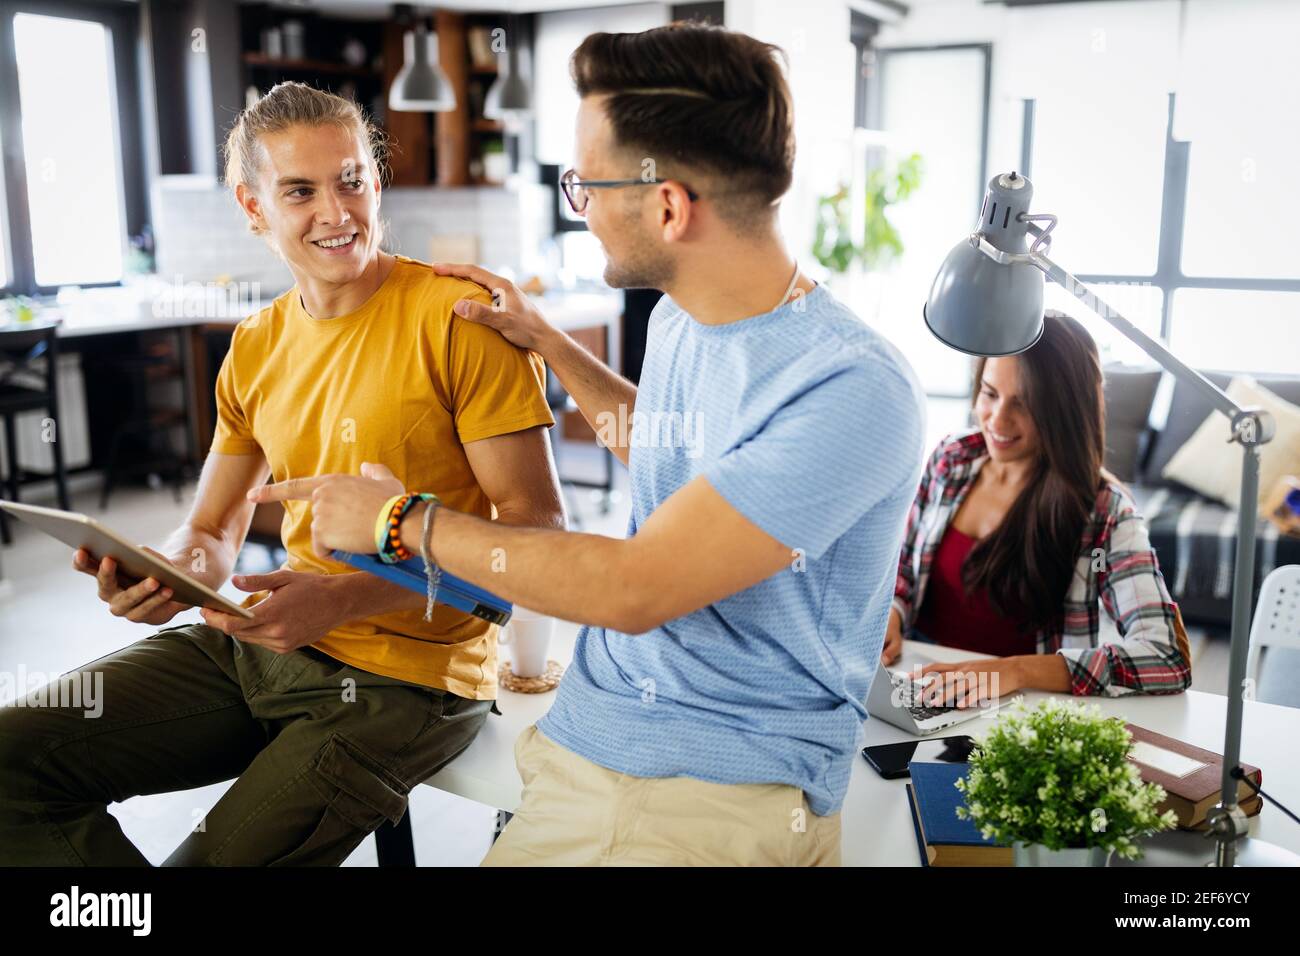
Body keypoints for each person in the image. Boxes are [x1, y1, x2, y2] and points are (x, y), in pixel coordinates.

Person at [253, 24, 926, 866]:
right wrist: (551, 345)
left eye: (584, 184)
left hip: (710, 785)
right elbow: (672, 452)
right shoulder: (689, 315)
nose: (580, 209)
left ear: (668, 206)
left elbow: (634, 588)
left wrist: (400, 522)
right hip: (592, 733)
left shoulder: (855, 389)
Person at [0, 82, 563, 865]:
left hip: (407, 683)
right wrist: (175, 575)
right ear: (254, 206)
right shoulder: (256, 343)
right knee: (11, 759)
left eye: (352, 180)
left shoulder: (457, 319)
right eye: (300, 190)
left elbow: (537, 536)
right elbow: (211, 528)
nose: (337, 213)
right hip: (258, 648)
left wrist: (346, 597)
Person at [885, 310, 1192, 706]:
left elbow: (1166, 657)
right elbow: (905, 568)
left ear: (1062, 410)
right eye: (990, 393)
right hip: (918, 681)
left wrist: (1016, 669)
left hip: (1017, 709)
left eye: (1024, 404)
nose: (998, 419)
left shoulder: (1104, 512)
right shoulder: (952, 459)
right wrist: (892, 614)